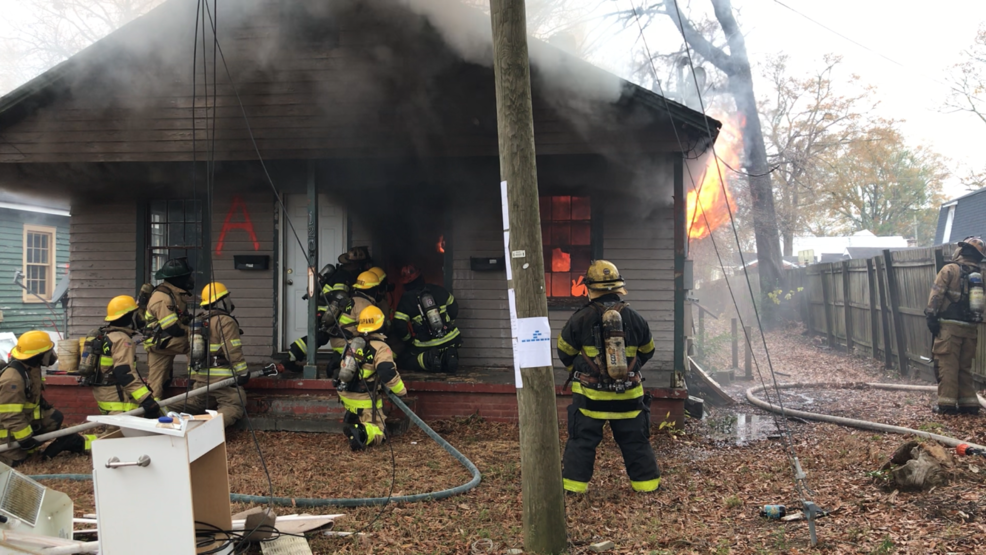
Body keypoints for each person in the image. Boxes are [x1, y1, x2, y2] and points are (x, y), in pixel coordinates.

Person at [557, 260, 661, 494]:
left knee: (582, 443)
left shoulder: (579, 318)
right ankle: (647, 487)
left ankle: (573, 489)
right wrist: (632, 369)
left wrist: (581, 371)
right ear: (618, 288)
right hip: (629, 399)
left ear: (590, 289)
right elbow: (648, 350)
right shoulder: (636, 318)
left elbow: (564, 352)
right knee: (636, 442)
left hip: (589, 400)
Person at [0, 331, 93, 466]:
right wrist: (25, 439)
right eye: (48, 351)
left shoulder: (31, 369)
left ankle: (66, 441)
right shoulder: (13, 380)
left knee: (54, 417)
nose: (51, 355)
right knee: (20, 462)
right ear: (38, 355)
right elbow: (9, 415)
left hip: (22, 422)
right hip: (5, 435)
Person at [282, 247, 374, 373]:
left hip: (322, 308)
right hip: (327, 311)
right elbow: (340, 296)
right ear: (355, 264)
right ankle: (290, 359)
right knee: (322, 336)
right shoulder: (345, 277)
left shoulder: (339, 271)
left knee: (320, 336)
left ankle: (291, 357)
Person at [925, 237, 986, 415]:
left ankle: (947, 405)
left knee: (948, 366)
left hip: (949, 329)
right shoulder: (979, 275)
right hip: (970, 329)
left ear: (962, 251)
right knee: (964, 368)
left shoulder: (949, 269)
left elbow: (936, 295)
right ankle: (969, 405)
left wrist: (931, 317)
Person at [335, 305, 407, 451]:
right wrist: (401, 392)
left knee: (363, 407)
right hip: (363, 398)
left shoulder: (351, 344)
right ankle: (361, 432)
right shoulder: (380, 347)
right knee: (381, 432)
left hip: (344, 393)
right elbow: (387, 372)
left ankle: (353, 417)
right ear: (380, 324)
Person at [182, 282, 249, 428]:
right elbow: (233, 350)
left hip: (199, 380)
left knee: (194, 403)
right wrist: (243, 372)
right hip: (222, 381)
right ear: (221, 301)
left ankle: (164, 414)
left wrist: (192, 377)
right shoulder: (225, 321)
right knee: (235, 405)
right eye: (227, 298)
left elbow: (189, 352)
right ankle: (207, 430)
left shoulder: (196, 322)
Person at [93, 296, 161, 417]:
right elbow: (124, 372)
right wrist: (146, 399)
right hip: (116, 396)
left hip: (104, 393)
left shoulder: (106, 335)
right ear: (129, 317)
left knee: (113, 431)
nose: (140, 318)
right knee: (119, 432)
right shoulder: (122, 340)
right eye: (136, 314)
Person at [143, 257, 195, 402]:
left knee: (156, 382)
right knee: (196, 344)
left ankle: (154, 409)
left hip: (159, 341)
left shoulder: (174, 293)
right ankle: (196, 380)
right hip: (163, 340)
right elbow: (173, 329)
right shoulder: (163, 298)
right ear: (176, 279)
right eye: (186, 276)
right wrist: (193, 331)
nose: (190, 279)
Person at [392, 264, 461, 373]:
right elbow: (454, 308)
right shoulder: (439, 289)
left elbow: (399, 326)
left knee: (402, 360)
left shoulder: (406, 299)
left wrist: (409, 340)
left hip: (426, 345)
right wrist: (448, 324)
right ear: (421, 277)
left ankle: (428, 359)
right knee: (444, 350)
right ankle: (448, 356)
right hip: (451, 338)